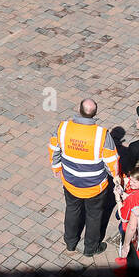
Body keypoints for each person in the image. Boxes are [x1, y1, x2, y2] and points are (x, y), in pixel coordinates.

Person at [50, 98, 118, 257]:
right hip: (95, 187)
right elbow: (111, 163)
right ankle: (90, 248)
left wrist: (56, 166)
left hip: (70, 182)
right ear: (95, 113)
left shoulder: (64, 127)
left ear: (79, 110)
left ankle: (70, 244)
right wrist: (117, 179)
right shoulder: (102, 134)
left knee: (72, 210)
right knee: (94, 216)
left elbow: (55, 147)